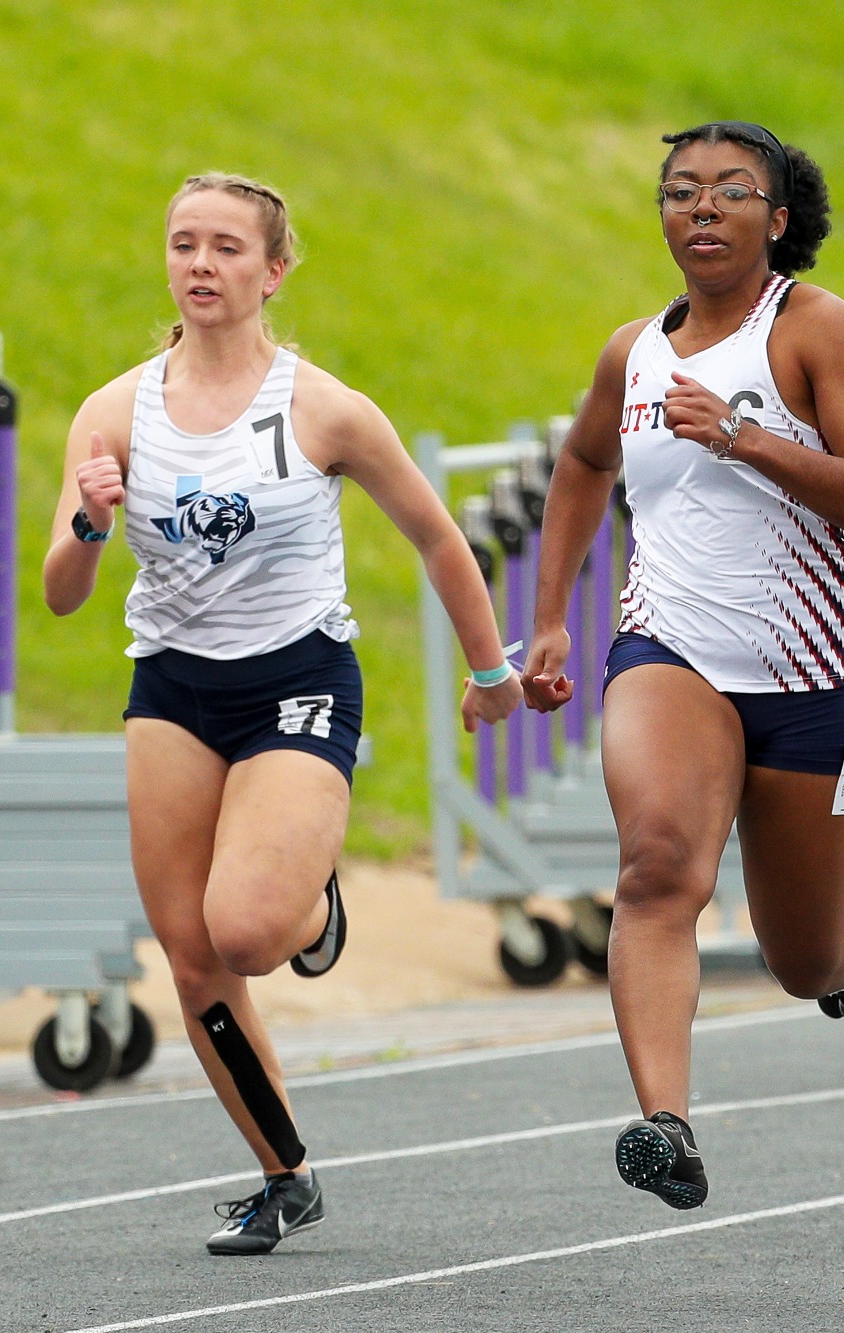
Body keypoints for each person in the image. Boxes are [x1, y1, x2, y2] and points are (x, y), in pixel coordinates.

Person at [44, 172, 521, 1254]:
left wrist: (490, 670)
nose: (200, 264)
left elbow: (439, 538)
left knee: (248, 930)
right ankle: (282, 1173)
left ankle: (311, 899)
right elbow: (62, 591)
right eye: (182, 245)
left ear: (274, 268)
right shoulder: (115, 409)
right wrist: (85, 518)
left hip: (297, 676)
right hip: (171, 685)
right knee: (191, 952)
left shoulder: (324, 409)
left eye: (224, 247)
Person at [521, 123, 844, 1210]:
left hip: (812, 675)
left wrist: (742, 436)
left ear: (777, 218)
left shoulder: (815, 332)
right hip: (670, 652)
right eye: (680, 191)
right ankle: (665, 1123)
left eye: (730, 192)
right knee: (656, 870)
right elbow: (585, 460)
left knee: (803, 961)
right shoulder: (630, 352)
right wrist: (552, 616)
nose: (701, 208)